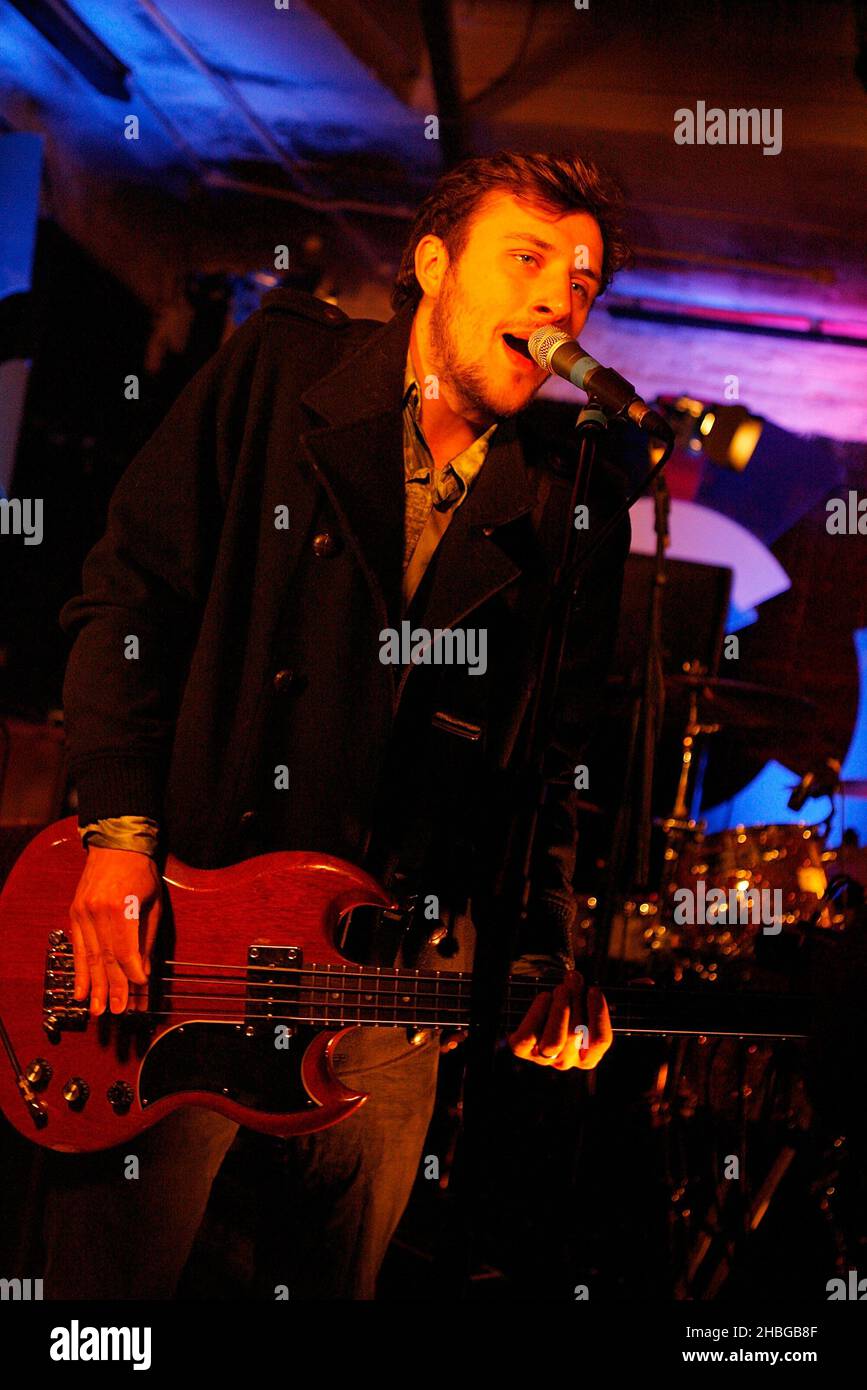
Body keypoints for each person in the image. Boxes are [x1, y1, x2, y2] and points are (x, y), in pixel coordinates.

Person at [46, 151, 632, 1299]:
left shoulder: (564, 507)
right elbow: (128, 595)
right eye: (528, 260)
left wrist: (545, 956)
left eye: (582, 281)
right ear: (431, 266)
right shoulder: (281, 372)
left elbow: (555, 766)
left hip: (384, 998)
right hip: (189, 945)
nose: (561, 298)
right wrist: (118, 835)